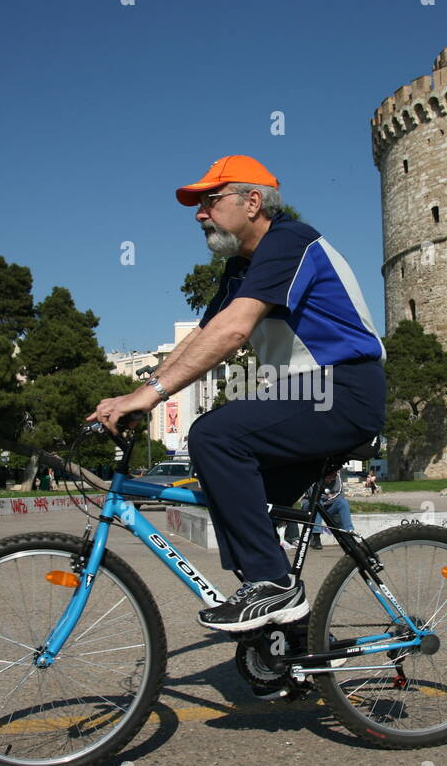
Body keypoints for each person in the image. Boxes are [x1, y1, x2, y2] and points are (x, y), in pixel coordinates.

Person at [87, 155, 386, 632]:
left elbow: (232, 331)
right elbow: (201, 336)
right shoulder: (239, 268)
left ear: (252, 202)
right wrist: (140, 393)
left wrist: (152, 395)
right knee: (238, 510)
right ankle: (289, 647)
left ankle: (274, 586)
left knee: (213, 437)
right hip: (305, 393)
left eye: (209, 200)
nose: (199, 213)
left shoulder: (290, 241)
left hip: (343, 388)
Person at [308, 468, 353, 550]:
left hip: (328, 506)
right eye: (329, 478)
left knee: (343, 502)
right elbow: (312, 495)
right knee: (318, 503)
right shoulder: (314, 476)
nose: (331, 480)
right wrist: (327, 497)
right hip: (311, 507)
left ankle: (349, 533)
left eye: (333, 477)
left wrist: (326, 499)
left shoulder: (337, 477)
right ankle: (316, 537)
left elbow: (339, 494)